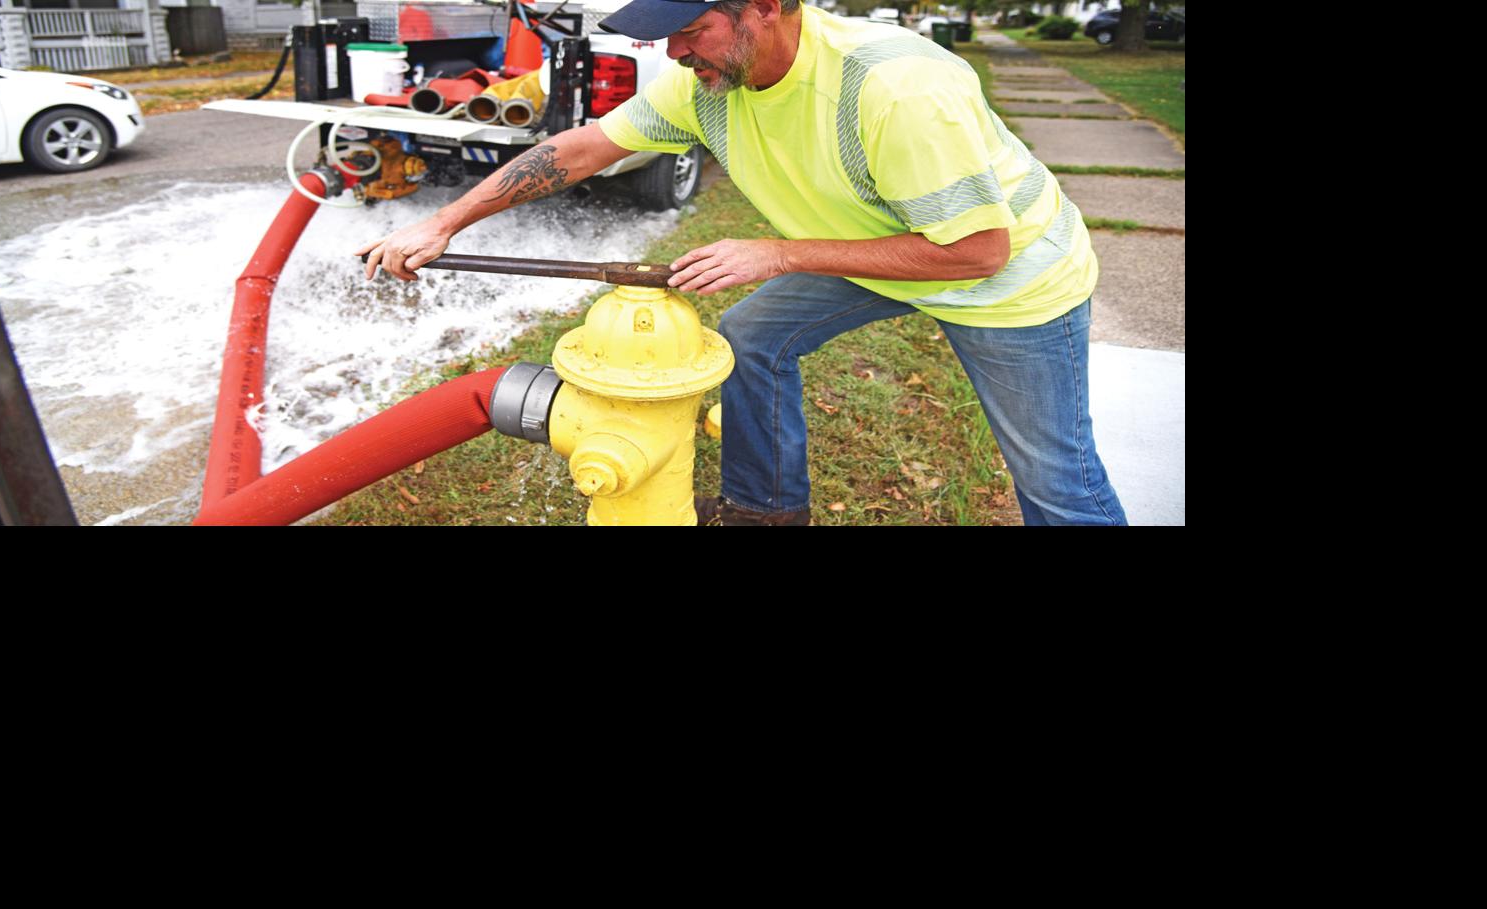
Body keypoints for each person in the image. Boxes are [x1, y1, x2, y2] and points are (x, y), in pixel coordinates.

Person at [360, 0, 1126, 526]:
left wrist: (779, 253)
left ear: (764, 7)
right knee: (752, 340)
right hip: (877, 249)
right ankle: (765, 512)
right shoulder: (705, 87)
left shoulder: (896, 88)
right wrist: (446, 220)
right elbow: (583, 148)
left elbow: (975, 251)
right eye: (666, 34)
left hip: (1008, 283)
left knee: (1053, 477)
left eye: (691, 29)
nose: (673, 52)